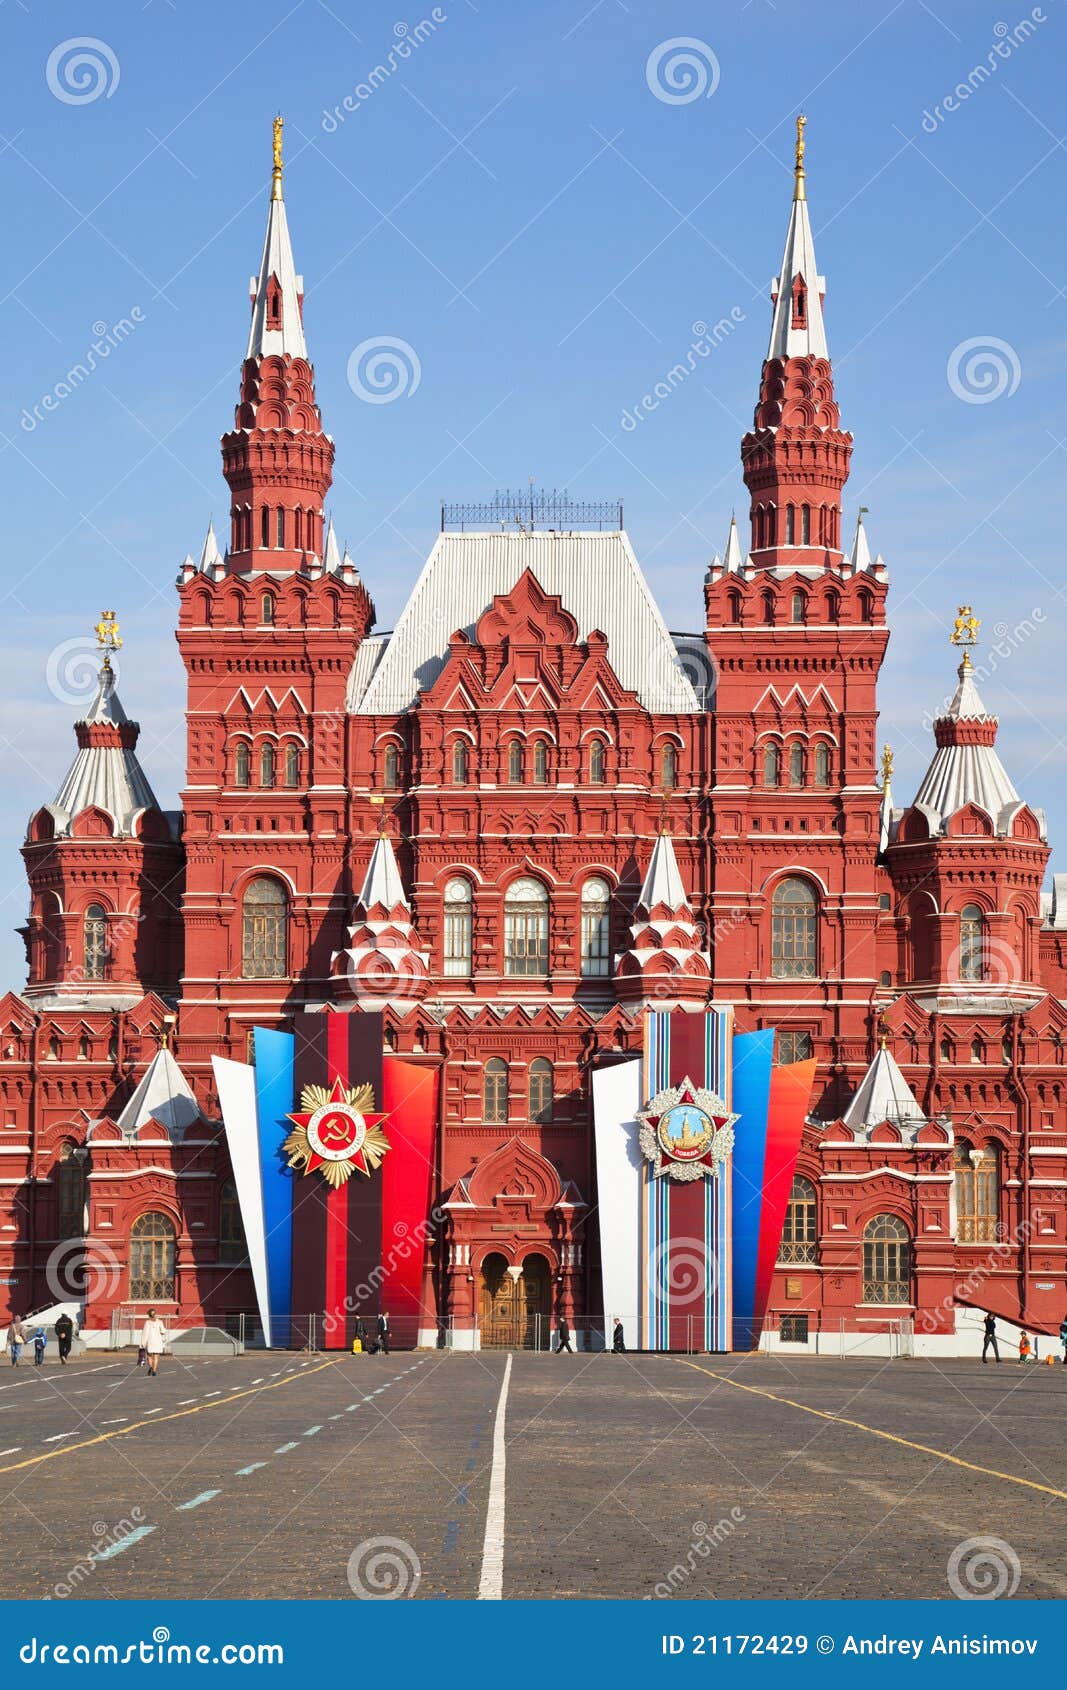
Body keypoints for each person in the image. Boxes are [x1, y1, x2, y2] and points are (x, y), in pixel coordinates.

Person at [139, 1308, 167, 1378]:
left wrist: (143, 1343)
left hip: (150, 1341)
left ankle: (151, 1367)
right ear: (155, 1314)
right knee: (156, 1356)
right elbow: (163, 1331)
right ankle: (154, 1371)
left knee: (149, 1356)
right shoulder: (160, 1322)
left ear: (149, 1315)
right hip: (158, 1341)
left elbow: (145, 1333)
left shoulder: (147, 1322)